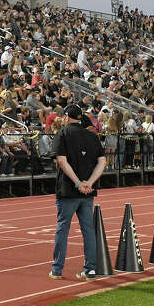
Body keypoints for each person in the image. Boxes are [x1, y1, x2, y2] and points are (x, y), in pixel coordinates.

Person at [50, 104, 106, 280]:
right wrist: (88, 183)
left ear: (67, 117)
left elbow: (61, 160)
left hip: (68, 190)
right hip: (87, 192)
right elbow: (103, 161)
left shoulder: (62, 133)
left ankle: (57, 269)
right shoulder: (92, 136)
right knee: (88, 231)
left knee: (62, 229)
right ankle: (90, 269)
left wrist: (77, 183)